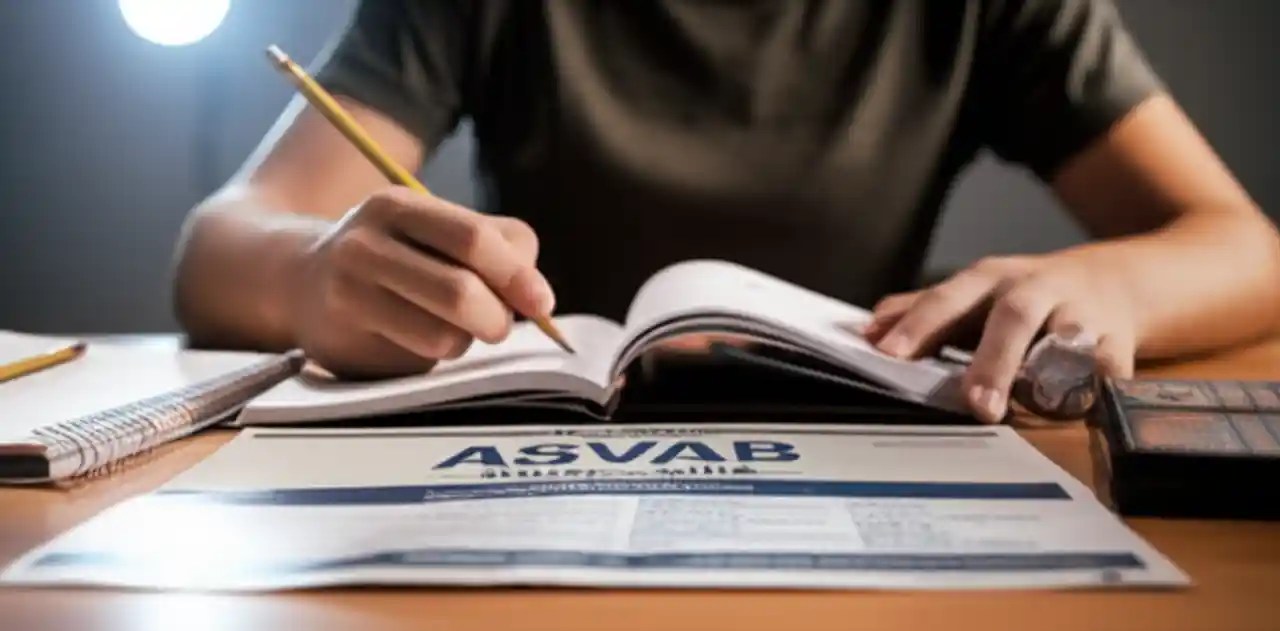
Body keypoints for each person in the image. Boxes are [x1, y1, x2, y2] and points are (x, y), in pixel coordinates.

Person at [173, 0, 1280, 423]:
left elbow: (1246, 247)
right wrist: (314, 276)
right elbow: (220, 244)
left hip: (859, 453)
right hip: (551, 448)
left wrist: (1112, 283)